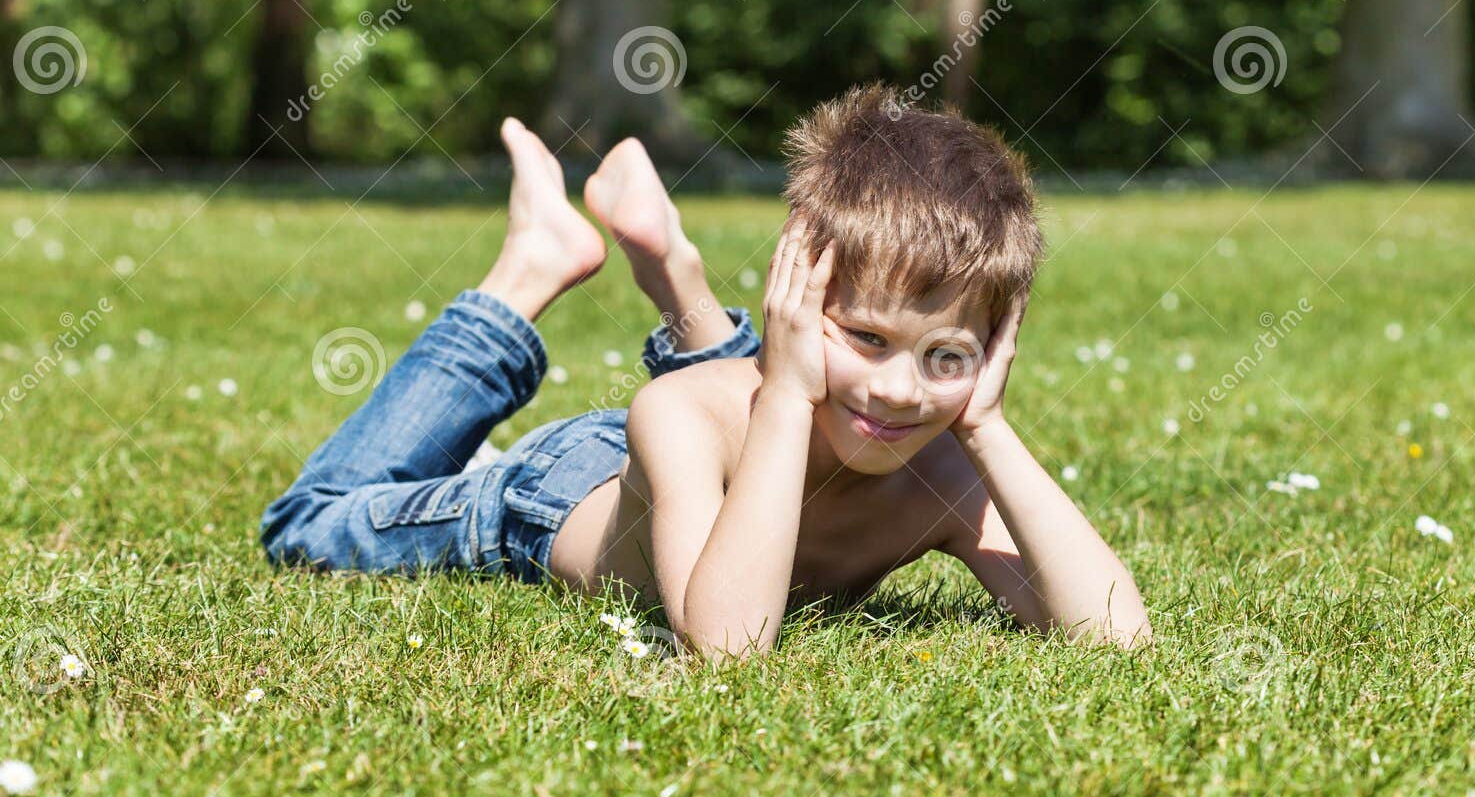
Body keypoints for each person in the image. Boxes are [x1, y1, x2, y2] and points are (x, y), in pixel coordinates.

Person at [260, 85, 1150, 659]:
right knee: (307, 527)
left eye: (947, 356)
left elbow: (1116, 641)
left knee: (802, 405)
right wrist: (796, 385)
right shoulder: (679, 415)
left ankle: (677, 280)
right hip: (554, 496)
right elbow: (727, 646)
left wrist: (986, 424)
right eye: (867, 337)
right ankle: (528, 270)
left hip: (749, 418)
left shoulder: (947, 462)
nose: (901, 391)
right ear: (793, 303)